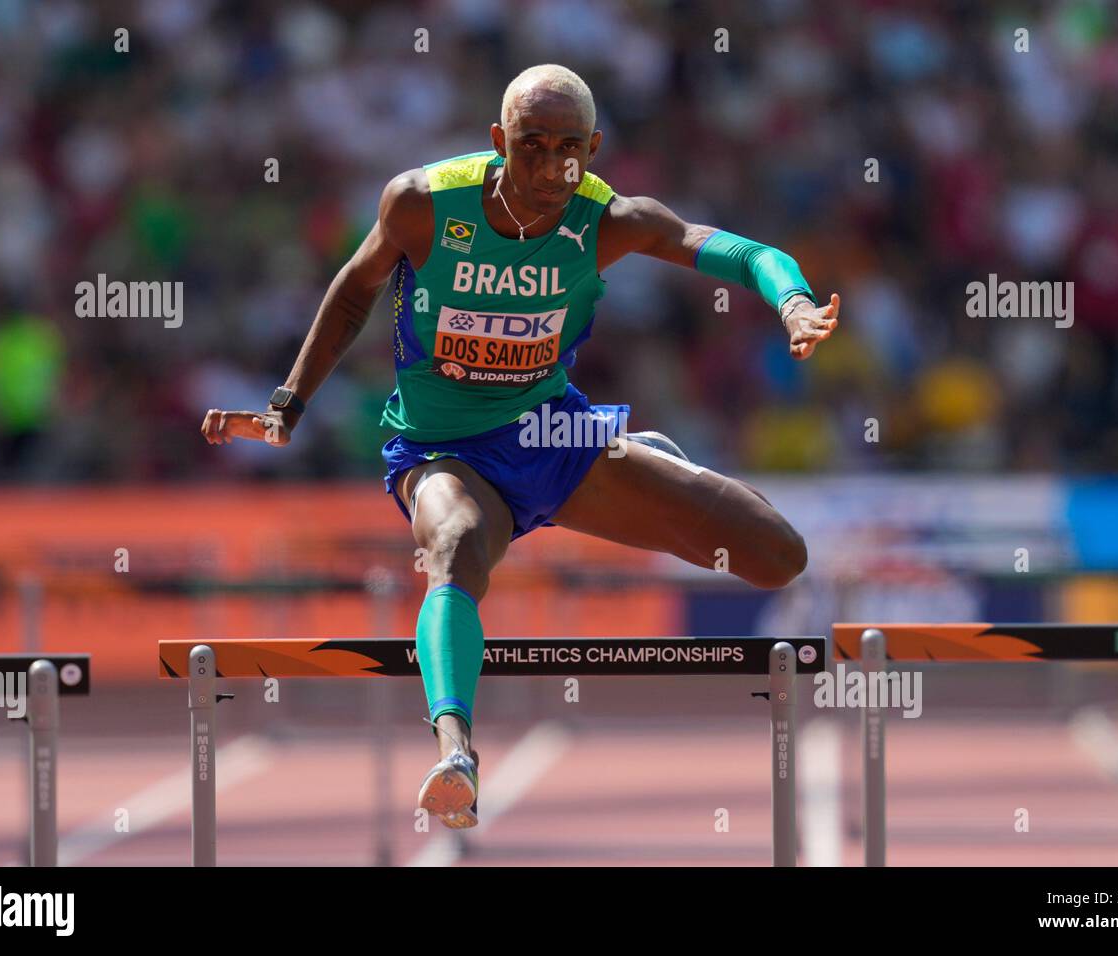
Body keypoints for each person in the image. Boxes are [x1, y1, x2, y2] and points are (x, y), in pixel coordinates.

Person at [202, 64, 840, 830]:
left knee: (776, 555)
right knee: (457, 544)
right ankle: (456, 753)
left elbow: (742, 252)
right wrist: (288, 404)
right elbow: (354, 287)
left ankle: (649, 455)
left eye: (571, 148)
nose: (552, 166)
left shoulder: (609, 219)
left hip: (554, 437)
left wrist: (794, 302)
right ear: (499, 141)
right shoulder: (425, 203)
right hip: (443, 449)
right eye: (532, 145)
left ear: (594, 148)